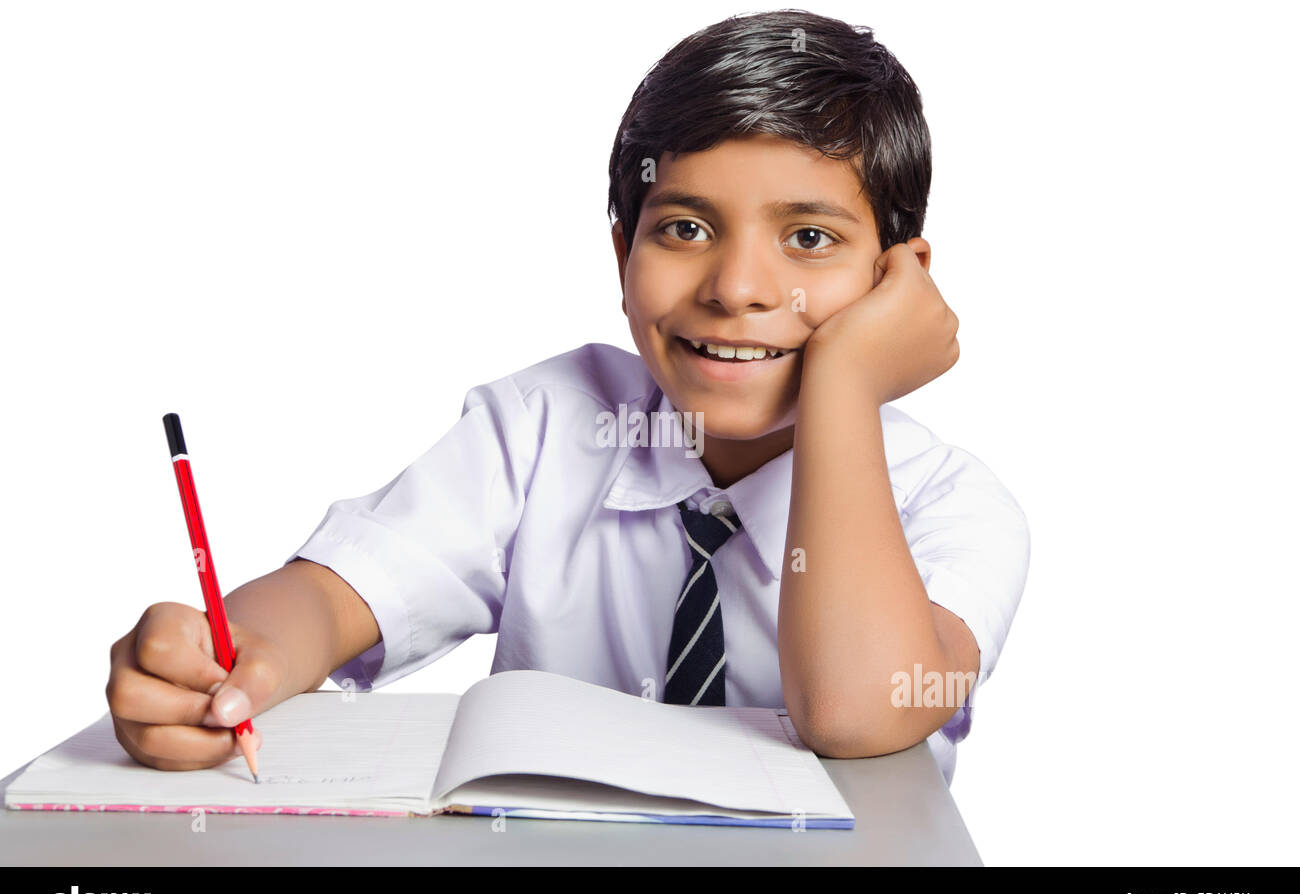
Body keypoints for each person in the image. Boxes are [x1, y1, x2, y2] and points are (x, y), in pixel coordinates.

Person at [106, 10, 1030, 786]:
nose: (738, 287)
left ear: (896, 279)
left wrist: (843, 386)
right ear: (622, 253)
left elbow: (855, 710)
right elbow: (330, 599)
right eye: (685, 227)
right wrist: (229, 658)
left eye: (811, 239)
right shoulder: (549, 425)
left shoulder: (953, 506)